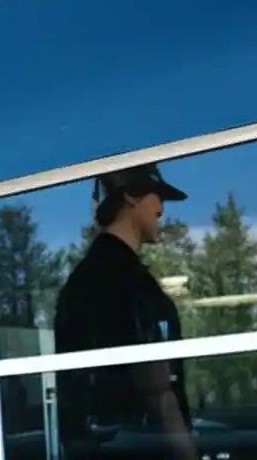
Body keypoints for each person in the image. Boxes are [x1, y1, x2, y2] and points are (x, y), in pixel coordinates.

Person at [53, 163, 195, 460]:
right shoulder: (120, 280)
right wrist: (186, 451)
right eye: (158, 195)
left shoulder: (94, 276)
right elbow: (156, 387)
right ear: (132, 195)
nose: (162, 207)